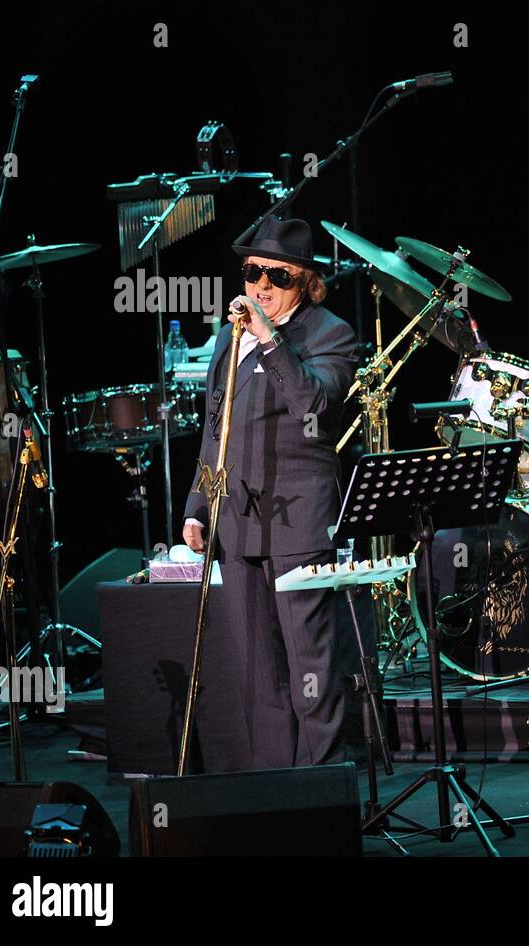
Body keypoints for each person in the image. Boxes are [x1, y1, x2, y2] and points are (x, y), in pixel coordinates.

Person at [182, 218, 358, 769]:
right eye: (253, 271)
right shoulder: (226, 335)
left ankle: (323, 793)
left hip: (300, 522)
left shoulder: (332, 334)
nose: (260, 285)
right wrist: (195, 506)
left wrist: (271, 339)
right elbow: (216, 426)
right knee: (259, 675)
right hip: (236, 521)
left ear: (305, 281)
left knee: (311, 669)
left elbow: (317, 407)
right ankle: (277, 799)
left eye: (275, 275)